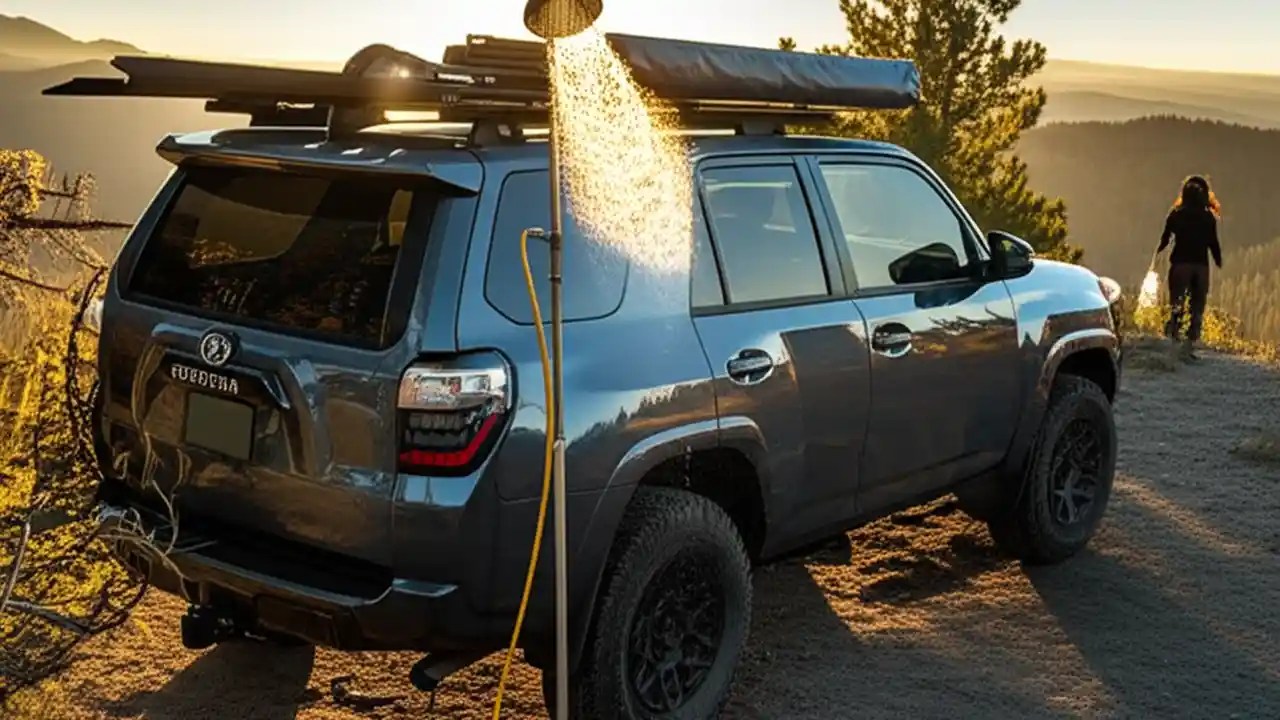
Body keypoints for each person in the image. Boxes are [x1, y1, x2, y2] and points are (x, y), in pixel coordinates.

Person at [1156, 175, 1223, 360]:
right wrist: (1218, 260)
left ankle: (1173, 345)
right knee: (1197, 309)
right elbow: (1213, 243)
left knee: (1177, 307)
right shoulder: (1208, 217)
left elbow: (1164, 239)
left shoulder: (1176, 214)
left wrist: (1158, 254)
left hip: (1180, 265)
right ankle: (1190, 348)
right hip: (1200, 266)